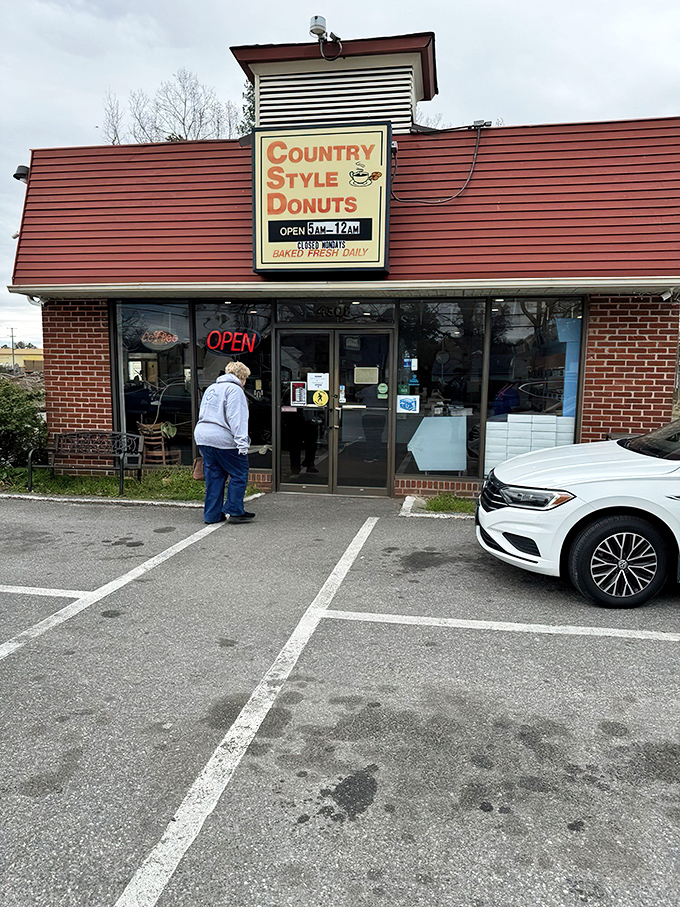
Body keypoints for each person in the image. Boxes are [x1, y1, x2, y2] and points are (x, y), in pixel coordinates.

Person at [194, 361, 255, 524]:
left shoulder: (211, 389)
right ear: (242, 377)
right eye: (246, 378)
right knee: (239, 473)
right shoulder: (235, 390)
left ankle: (211, 515)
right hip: (223, 440)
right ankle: (235, 510)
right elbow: (238, 419)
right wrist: (242, 444)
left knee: (214, 477)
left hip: (203, 437)